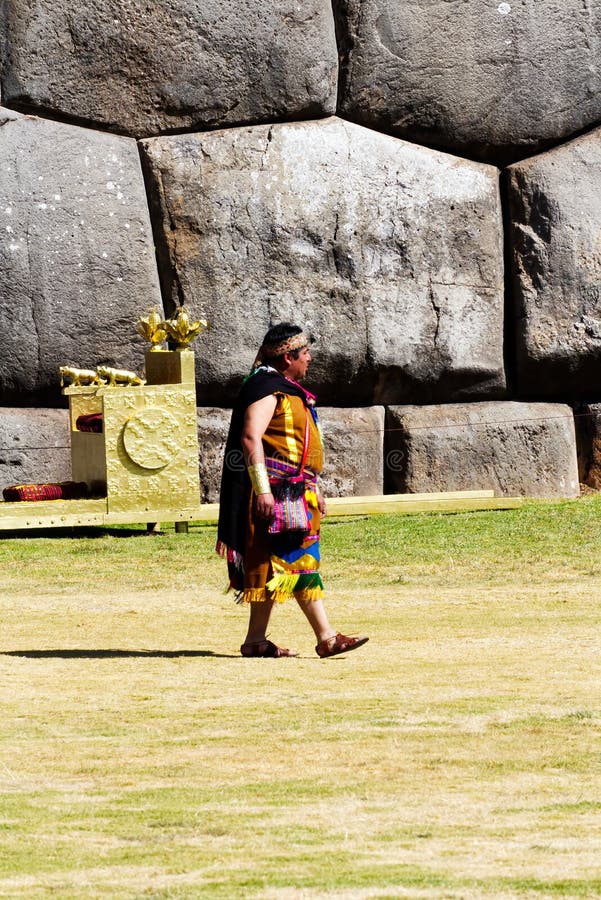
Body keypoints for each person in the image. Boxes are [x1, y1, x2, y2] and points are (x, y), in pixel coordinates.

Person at [217, 322, 369, 659]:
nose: (310, 359)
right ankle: (327, 637)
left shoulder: (283, 389)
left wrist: (316, 488)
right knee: (298, 562)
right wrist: (262, 490)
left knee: (275, 566)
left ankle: (255, 641)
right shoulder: (267, 389)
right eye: (305, 354)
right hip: (277, 495)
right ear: (288, 357)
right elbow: (250, 437)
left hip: (298, 492)